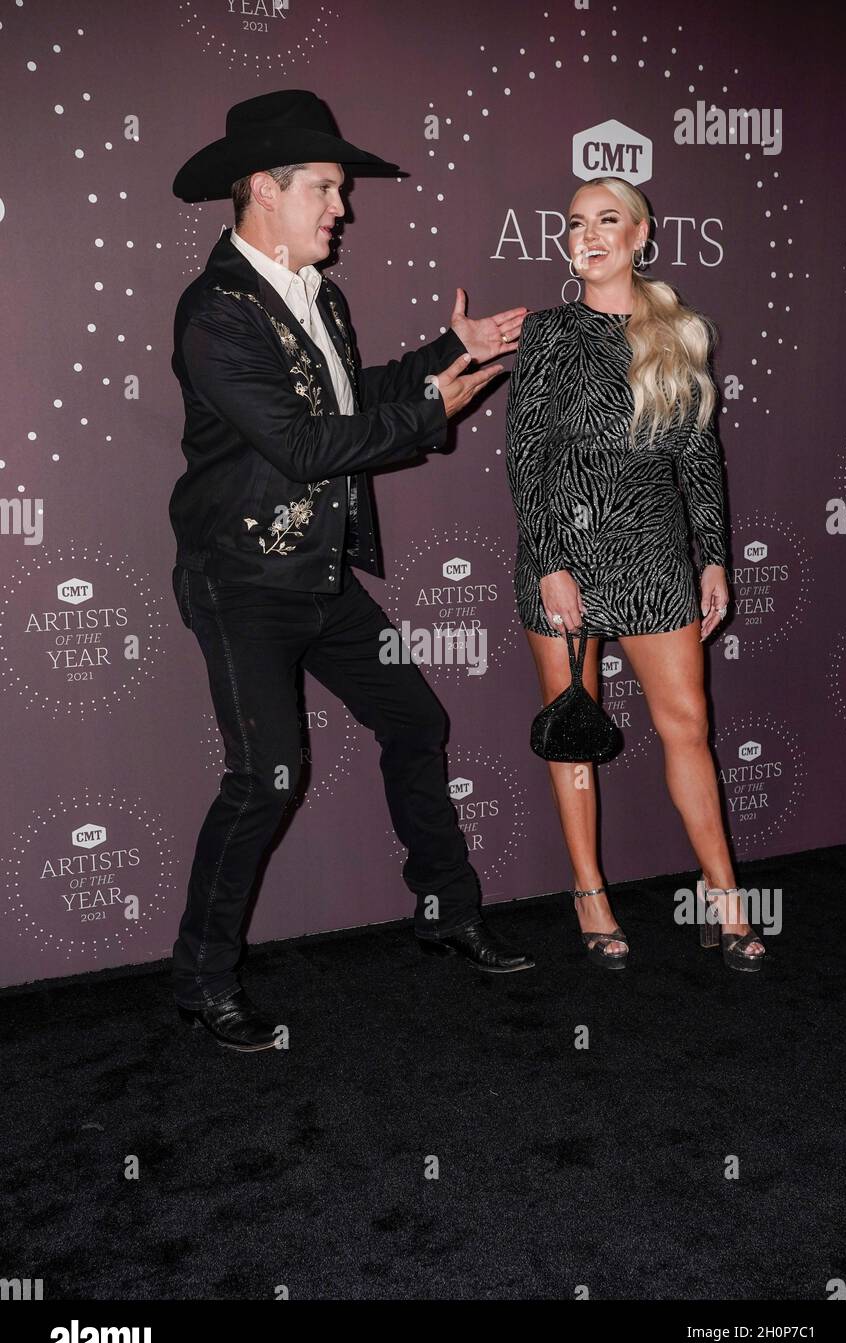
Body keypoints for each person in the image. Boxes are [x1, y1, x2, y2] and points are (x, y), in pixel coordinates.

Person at [169, 90, 535, 1052]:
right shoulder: (215, 311)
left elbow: (350, 395)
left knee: (418, 719)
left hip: (318, 572)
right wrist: (433, 412)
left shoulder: (317, 293)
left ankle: (444, 911)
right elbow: (299, 442)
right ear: (261, 189)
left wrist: (449, 354)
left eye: (338, 188)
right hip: (242, 579)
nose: (343, 207)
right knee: (267, 780)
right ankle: (202, 981)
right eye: (326, 188)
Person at [505, 175, 766, 975]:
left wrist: (714, 553)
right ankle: (590, 896)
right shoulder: (548, 333)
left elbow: (697, 454)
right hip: (567, 558)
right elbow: (526, 458)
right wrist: (549, 562)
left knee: (687, 725)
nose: (588, 235)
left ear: (641, 237)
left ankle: (725, 901)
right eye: (576, 223)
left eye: (606, 220)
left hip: (656, 554)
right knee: (574, 730)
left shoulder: (679, 332)